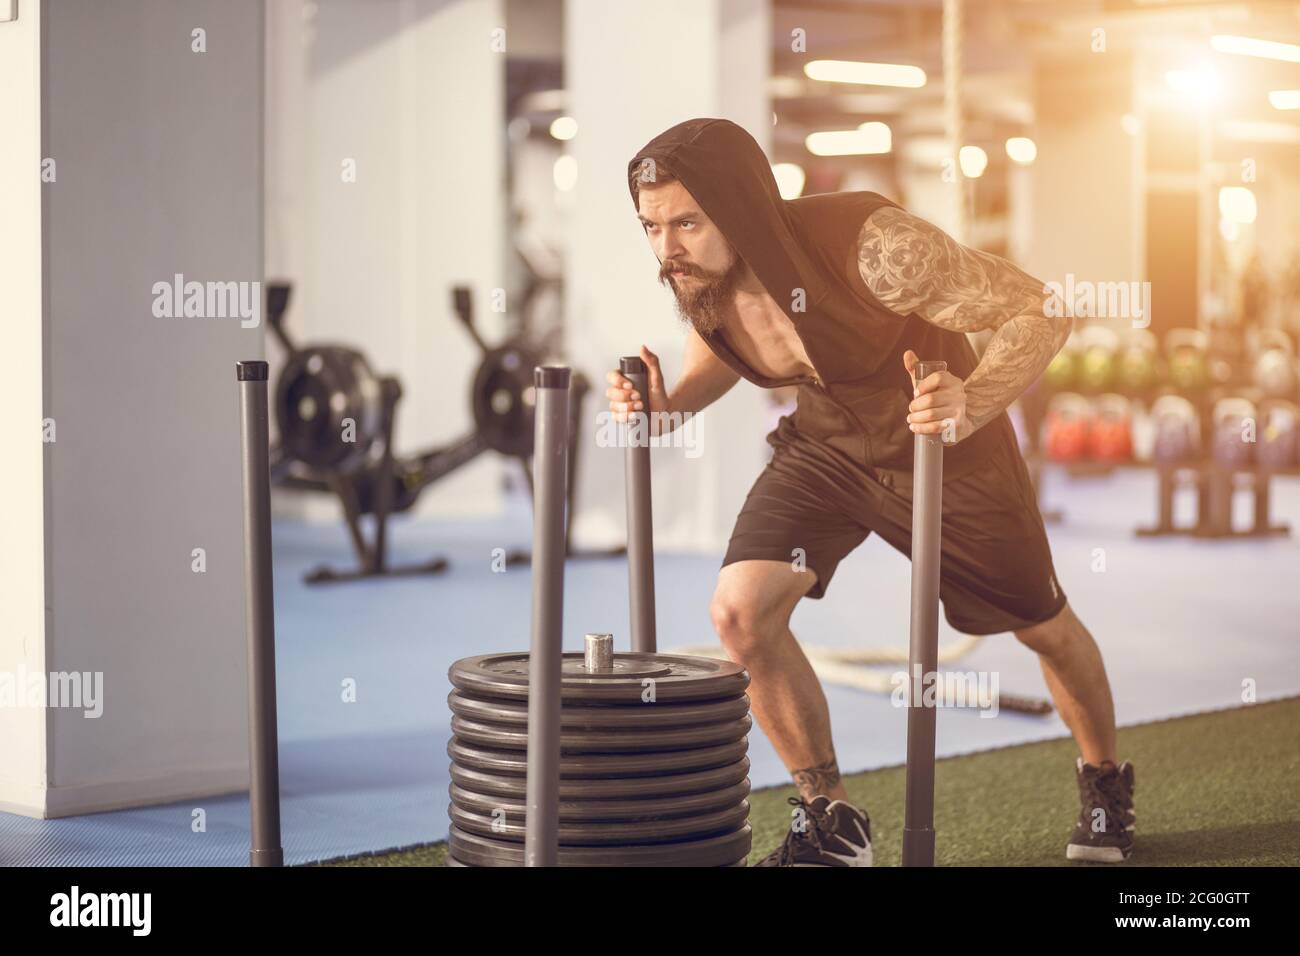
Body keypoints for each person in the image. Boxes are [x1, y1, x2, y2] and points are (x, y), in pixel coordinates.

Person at [606, 118, 1135, 866]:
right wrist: (671, 406)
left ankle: (1105, 783)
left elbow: (1043, 309)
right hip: (828, 446)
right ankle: (833, 817)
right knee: (740, 613)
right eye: (651, 226)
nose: (667, 249)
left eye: (686, 221)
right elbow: (726, 348)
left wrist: (973, 402)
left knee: (1042, 624)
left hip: (944, 449)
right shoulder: (704, 278)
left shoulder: (874, 248)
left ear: (742, 205)